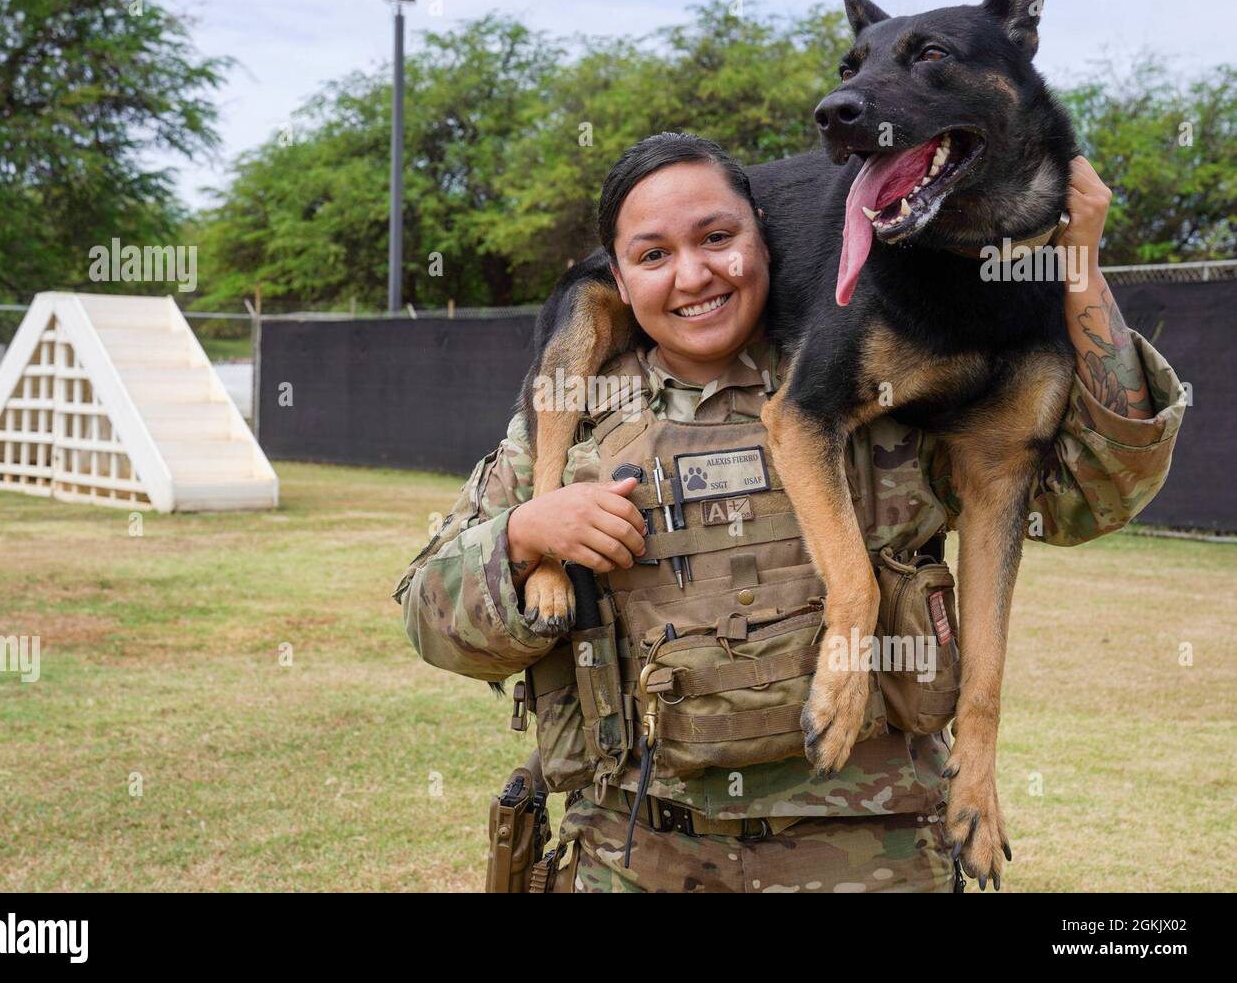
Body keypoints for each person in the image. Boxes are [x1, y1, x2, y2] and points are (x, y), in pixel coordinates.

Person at [395, 133, 1186, 893]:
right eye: (653, 255)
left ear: (765, 237)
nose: (694, 275)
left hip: (874, 858)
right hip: (638, 854)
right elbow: (431, 622)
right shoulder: (576, 422)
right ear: (619, 276)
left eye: (717, 237)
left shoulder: (884, 381)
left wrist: (1081, 268)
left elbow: (1094, 495)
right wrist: (525, 536)